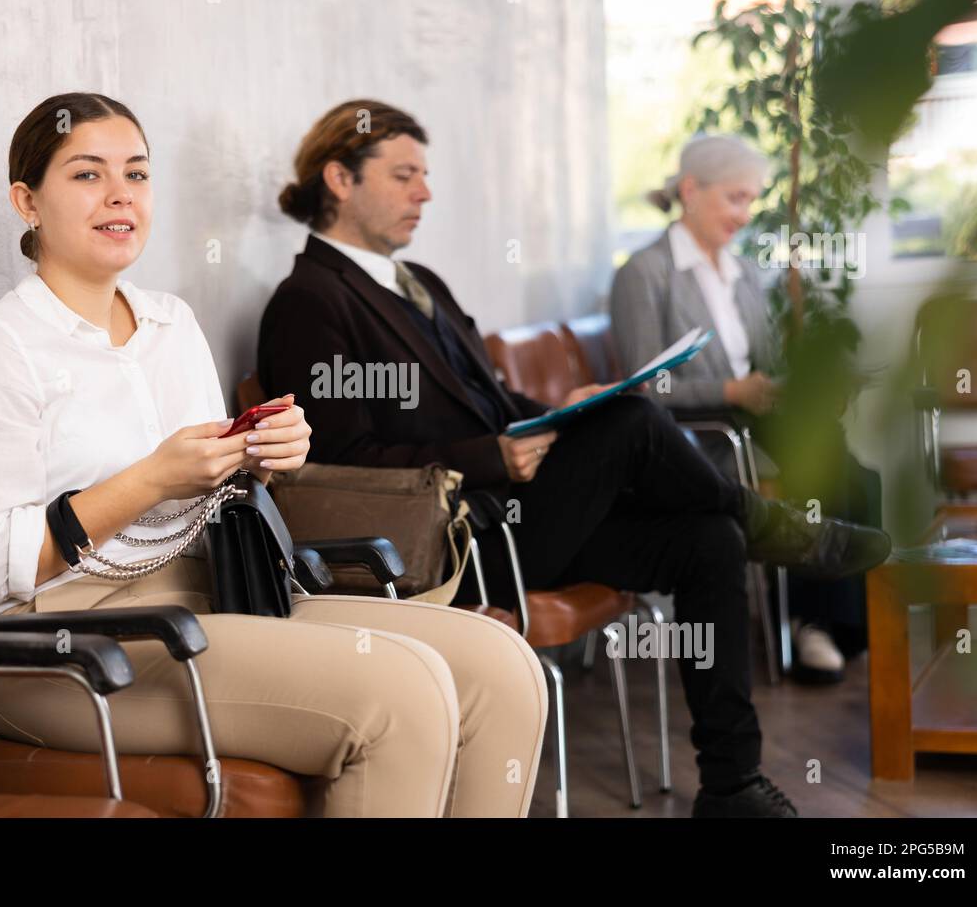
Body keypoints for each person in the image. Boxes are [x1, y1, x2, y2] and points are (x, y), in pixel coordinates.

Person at [0, 92, 549, 818]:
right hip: (70, 649)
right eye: (87, 175)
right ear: (27, 202)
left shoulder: (170, 324)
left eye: (138, 174)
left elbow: (208, 491)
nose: (120, 193)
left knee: (503, 670)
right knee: (399, 695)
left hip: (212, 598)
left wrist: (263, 457)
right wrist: (151, 478)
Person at [257, 99, 892, 817]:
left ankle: (731, 783)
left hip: (516, 521)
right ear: (340, 178)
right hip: (448, 547)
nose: (425, 193)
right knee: (635, 417)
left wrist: (563, 412)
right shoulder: (308, 301)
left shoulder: (421, 284)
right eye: (404, 175)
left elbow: (493, 401)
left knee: (707, 539)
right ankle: (779, 530)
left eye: (424, 176)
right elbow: (340, 463)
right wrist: (492, 457)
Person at [609, 134, 881, 683]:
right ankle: (810, 624)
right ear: (690, 190)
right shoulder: (644, 273)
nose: (745, 213)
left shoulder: (744, 272)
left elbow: (768, 360)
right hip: (701, 433)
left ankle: (850, 627)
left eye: (751, 199)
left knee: (861, 477)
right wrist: (730, 393)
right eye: (735, 198)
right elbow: (642, 387)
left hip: (756, 418)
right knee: (823, 471)